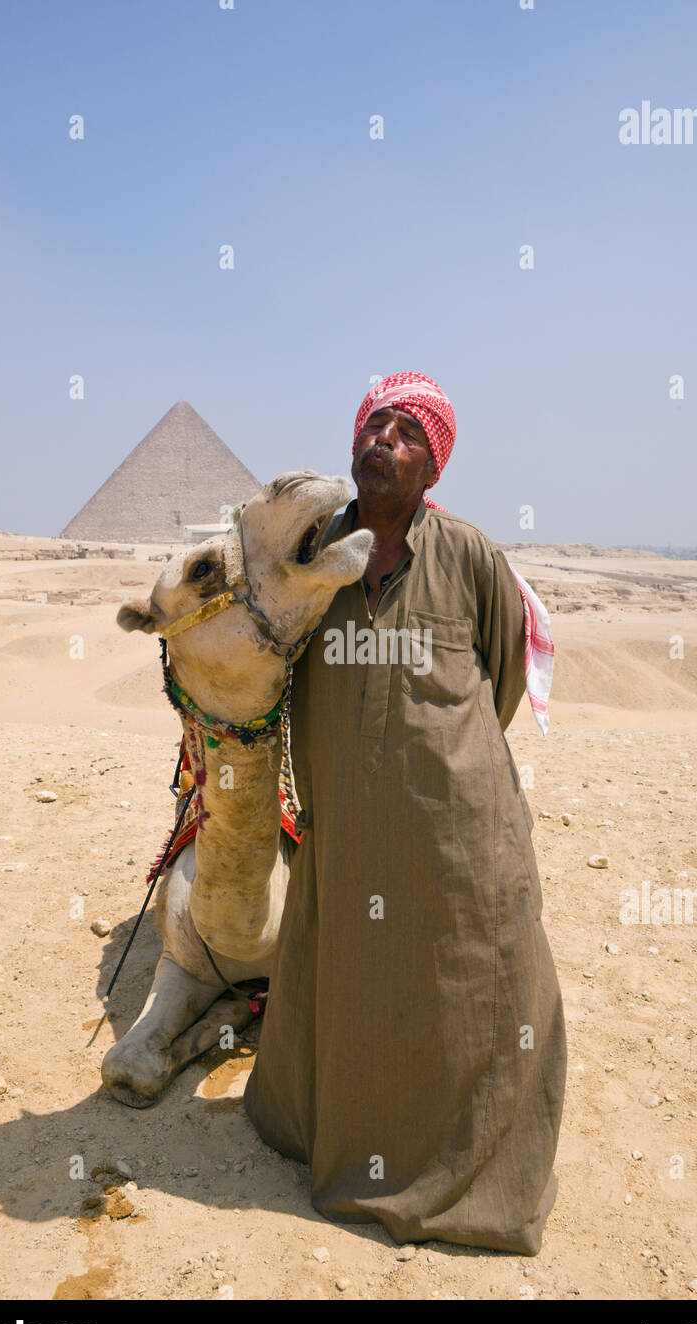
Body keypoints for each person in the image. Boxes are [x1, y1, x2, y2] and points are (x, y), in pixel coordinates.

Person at [244, 371, 566, 1254]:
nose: (384, 440)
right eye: (373, 426)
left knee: (462, 984)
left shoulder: (467, 555)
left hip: (456, 826)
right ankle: (331, 1140)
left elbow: (498, 679)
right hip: (346, 828)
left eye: (407, 433)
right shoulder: (309, 558)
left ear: (433, 466)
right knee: (351, 978)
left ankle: (472, 1175)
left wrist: (431, 757)